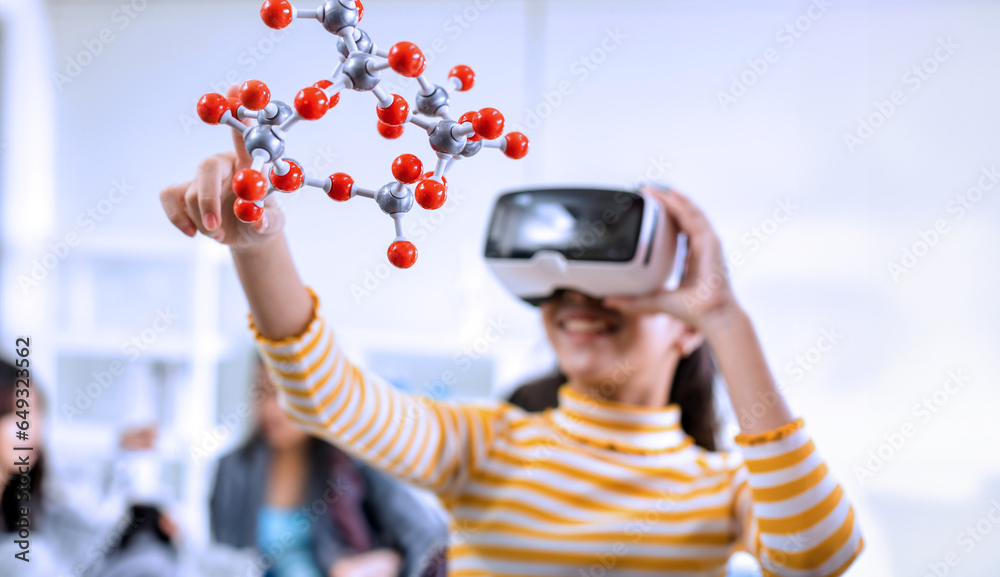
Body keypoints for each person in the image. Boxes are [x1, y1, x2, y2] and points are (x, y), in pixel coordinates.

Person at [161, 136, 864, 575]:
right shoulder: (485, 442)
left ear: (681, 327)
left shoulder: (722, 490)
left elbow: (819, 553)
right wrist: (258, 244)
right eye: (558, 291)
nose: (579, 302)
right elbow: (326, 398)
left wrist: (723, 318)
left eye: (611, 287)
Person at [209, 355, 447, 577]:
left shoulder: (352, 463)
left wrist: (388, 562)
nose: (272, 409)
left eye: (286, 395)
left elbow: (430, 537)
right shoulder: (233, 470)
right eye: (263, 392)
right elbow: (221, 560)